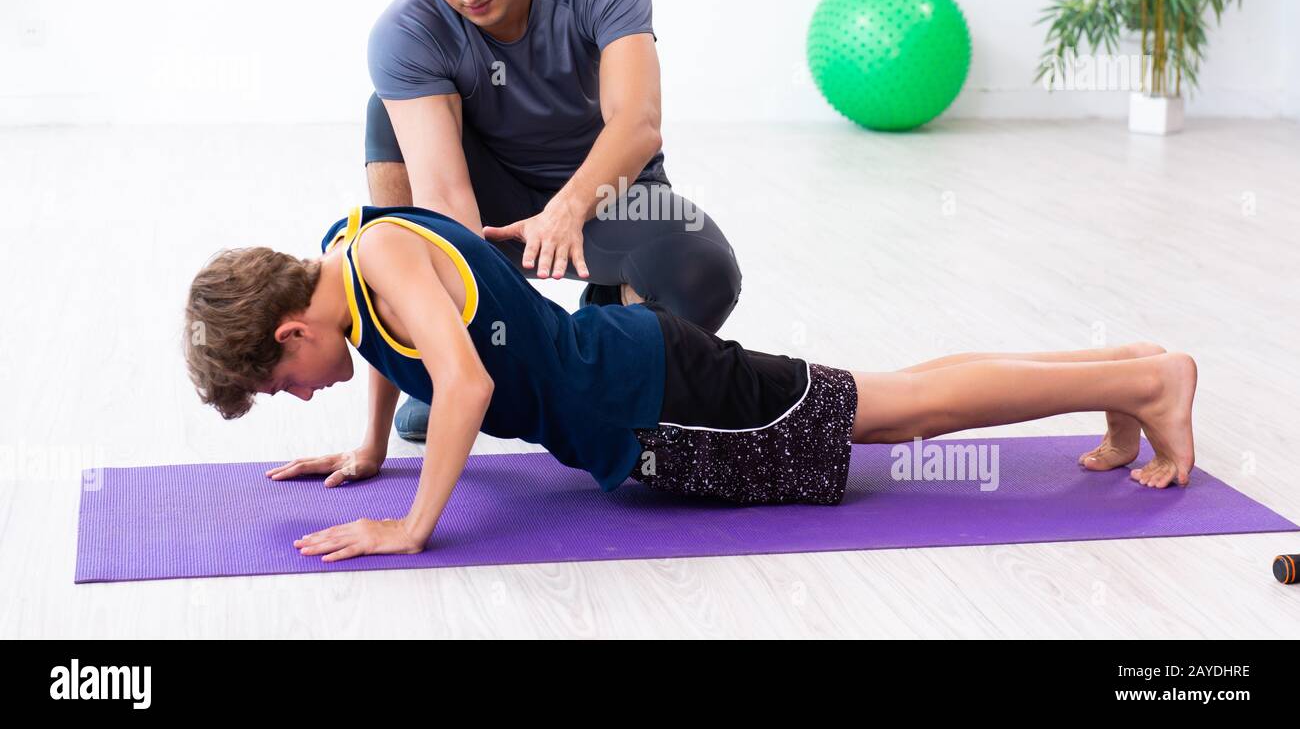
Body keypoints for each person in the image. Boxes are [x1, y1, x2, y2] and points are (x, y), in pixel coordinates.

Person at [182, 205, 1199, 564]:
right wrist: (368, 454)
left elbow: (461, 387)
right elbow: (384, 348)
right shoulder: (345, 254)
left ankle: (1151, 379)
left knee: (903, 412)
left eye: (281, 379)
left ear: (287, 326)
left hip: (659, 395)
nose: (298, 393)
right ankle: (1126, 374)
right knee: (890, 391)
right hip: (640, 367)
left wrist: (412, 527)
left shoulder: (380, 264)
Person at [364, 0, 741, 443]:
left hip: (612, 192)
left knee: (705, 276)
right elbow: (442, 204)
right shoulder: (406, 32)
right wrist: (467, 333)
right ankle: (433, 372)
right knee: (383, 112)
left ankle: (604, 332)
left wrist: (566, 210)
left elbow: (638, 124)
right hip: (491, 206)